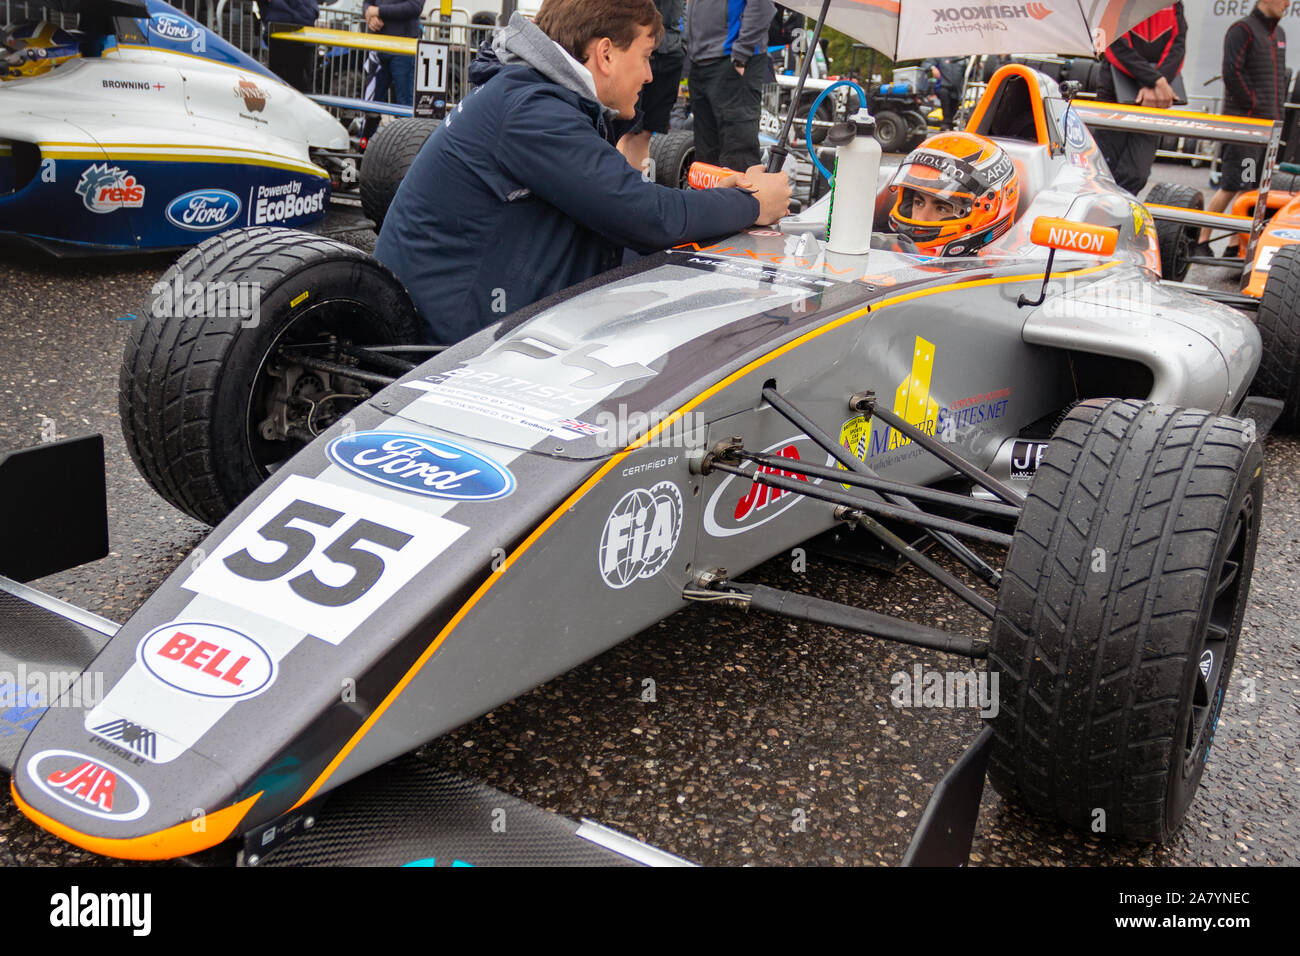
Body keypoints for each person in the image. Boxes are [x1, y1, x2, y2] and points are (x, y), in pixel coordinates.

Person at [374, 0, 790, 345]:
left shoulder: (533, 93)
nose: (650, 74)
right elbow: (646, 216)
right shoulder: (532, 108)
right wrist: (751, 204)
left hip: (467, 317)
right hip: (444, 346)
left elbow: (618, 209)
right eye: (645, 57)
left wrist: (715, 200)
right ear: (605, 54)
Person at [1199, 0, 1289, 252]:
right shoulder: (1242, 29)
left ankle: (1233, 244)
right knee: (1232, 185)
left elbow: (1278, 82)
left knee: (1250, 189)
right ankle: (1201, 241)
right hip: (1245, 130)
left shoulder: (1277, 34)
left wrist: (1277, 119)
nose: (1288, 3)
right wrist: (1253, 106)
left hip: (1267, 129)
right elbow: (1231, 72)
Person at [1092, 2, 1186, 195]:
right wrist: (1157, 81)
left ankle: (1122, 217)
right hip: (1115, 92)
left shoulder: (1175, 4)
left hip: (1155, 97)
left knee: (1137, 173)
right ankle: (1101, 216)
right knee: (1105, 167)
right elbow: (1113, 44)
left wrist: (1158, 81)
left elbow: (1178, 46)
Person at [886, 131, 1020, 257]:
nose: (921, 219)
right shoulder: (888, 251)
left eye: (942, 208)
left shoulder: (1016, 275)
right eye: (918, 203)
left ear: (989, 208)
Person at [686, 0, 775, 170]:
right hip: (702, 61)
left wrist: (741, 53)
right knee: (706, 153)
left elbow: (763, 7)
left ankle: (737, 196)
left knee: (738, 151)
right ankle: (707, 196)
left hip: (732, 60)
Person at [615, 0, 685, 174]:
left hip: (669, 51)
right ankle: (620, 184)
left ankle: (641, 185)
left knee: (648, 131)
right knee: (625, 129)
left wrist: (682, 43)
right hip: (634, 47)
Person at [360, 2, 424, 145]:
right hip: (379, 45)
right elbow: (367, 3)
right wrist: (369, 15)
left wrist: (377, 11)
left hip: (404, 48)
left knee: (405, 107)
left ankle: (406, 152)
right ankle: (362, 150)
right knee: (371, 105)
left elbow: (415, 7)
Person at [263, 0, 318, 93]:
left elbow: (309, 15)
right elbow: (309, 15)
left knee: (296, 86)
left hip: (298, 44)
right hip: (283, 41)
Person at [920, 56, 967, 131]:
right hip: (943, 86)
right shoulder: (941, 56)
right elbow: (926, 63)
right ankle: (945, 123)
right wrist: (933, 68)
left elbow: (970, 72)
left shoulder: (962, 59)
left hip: (957, 88)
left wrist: (977, 66)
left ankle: (949, 124)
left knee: (954, 107)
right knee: (945, 100)